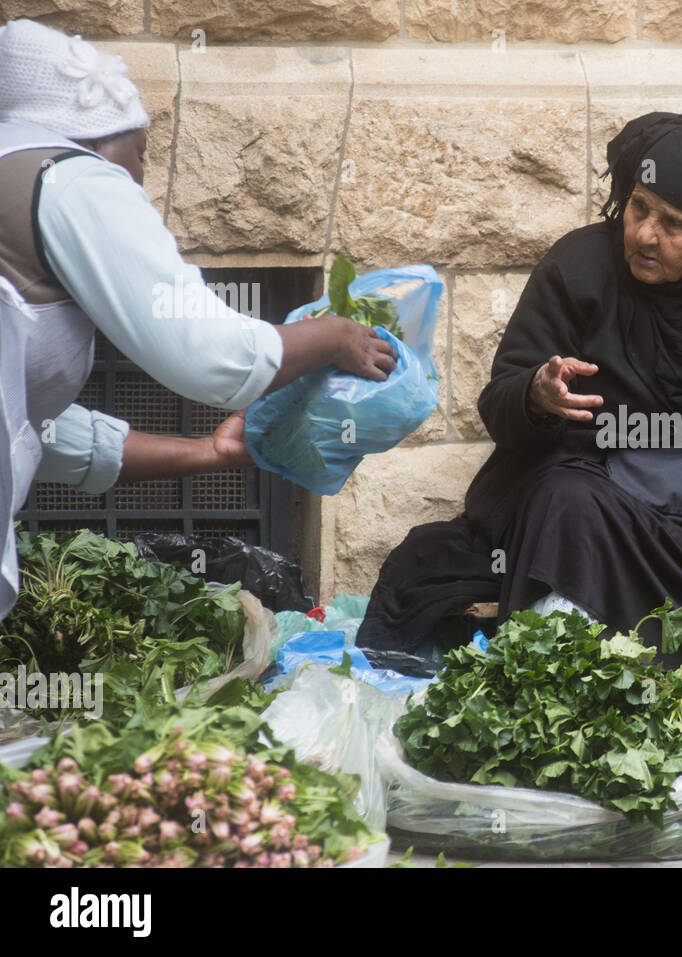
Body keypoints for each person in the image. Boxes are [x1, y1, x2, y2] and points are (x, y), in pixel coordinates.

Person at [359, 111, 682, 673]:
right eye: (638, 208)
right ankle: (564, 672)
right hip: (600, 502)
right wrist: (536, 395)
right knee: (565, 503)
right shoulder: (580, 265)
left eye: (674, 224)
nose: (645, 234)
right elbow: (500, 401)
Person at [0, 19, 397, 618]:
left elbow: (34, 431)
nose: (139, 177)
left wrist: (208, 452)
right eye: (141, 153)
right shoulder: (73, 177)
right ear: (96, 134)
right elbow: (212, 355)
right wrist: (336, 337)